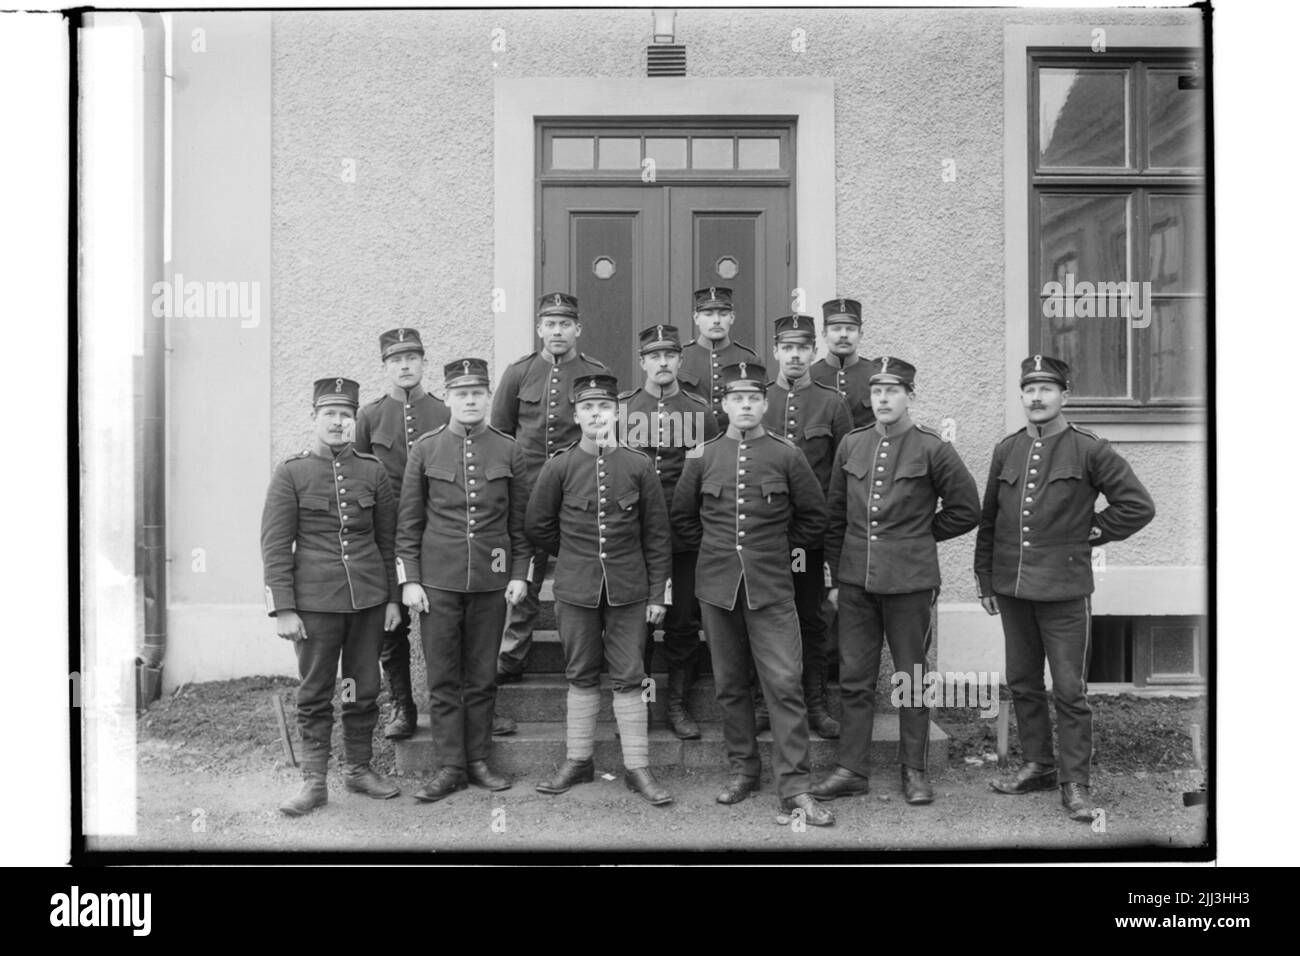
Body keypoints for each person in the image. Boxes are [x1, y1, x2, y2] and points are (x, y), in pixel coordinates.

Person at [976, 355, 1155, 822]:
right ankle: (1037, 764)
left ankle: (1075, 783)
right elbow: (990, 520)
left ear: (1064, 396)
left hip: (1064, 591)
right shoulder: (1008, 449)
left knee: (1070, 690)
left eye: (1046, 389)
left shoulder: (1089, 449)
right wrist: (986, 580)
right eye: (1029, 389)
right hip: (1013, 589)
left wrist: (1092, 530)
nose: (1036, 397)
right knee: (1023, 683)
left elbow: (1137, 505)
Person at [672, 361, 834, 826]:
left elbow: (813, 517)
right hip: (717, 589)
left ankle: (796, 786)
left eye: (752, 399)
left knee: (784, 683)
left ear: (765, 404)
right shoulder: (701, 456)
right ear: (724, 405)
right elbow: (682, 519)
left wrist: (778, 551)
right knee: (728, 685)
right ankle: (744, 770)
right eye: (736, 399)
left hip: (772, 586)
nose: (745, 406)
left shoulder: (787, 454)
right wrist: (716, 553)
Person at [813, 356, 980, 805]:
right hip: (855, 581)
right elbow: (835, 517)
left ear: (910, 395)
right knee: (854, 677)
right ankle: (851, 769)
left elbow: (967, 509)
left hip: (910, 582)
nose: (883, 399)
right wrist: (834, 576)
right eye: (877, 391)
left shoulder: (932, 448)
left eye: (893, 391)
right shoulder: (852, 445)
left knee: (912, 677)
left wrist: (918, 538)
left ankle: (914, 770)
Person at [527, 373, 674, 805]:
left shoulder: (638, 465)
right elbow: (538, 525)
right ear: (577, 415)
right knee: (580, 672)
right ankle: (578, 761)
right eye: (588, 408)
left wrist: (656, 596)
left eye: (604, 407)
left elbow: (657, 537)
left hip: (630, 591)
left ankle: (637, 767)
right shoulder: (560, 466)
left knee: (631, 676)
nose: (596, 415)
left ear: (616, 413)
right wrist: (573, 554)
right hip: (576, 589)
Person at [261, 377, 402, 815]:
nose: (339, 423)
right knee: (316, 690)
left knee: (361, 687)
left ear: (354, 420)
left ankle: (358, 769)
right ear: (314, 418)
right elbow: (275, 544)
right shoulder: (292, 472)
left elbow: (388, 541)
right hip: (315, 605)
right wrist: (283, 608)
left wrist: (393, 600)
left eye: (346, 415)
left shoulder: (372, 470)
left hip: (367, 602)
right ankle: (313, 781)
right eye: (330, 415)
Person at [395, 358, 530, 802]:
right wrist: (410, 580)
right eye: (461, 393)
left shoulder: (509, 450)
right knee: (443, 678)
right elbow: (408, 524)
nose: (470, 400)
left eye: (478, 393)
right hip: (437, 584)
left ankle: (478, 760)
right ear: (448, 397)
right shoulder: (426, 449)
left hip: (491, 583)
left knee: (481, 677)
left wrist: (518, 576)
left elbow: (520, 526)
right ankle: (450, 765)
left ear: (489, 397)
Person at [492, 293, 608, 684]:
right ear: (540, 329)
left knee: (585, 571)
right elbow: (502, 433)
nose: (557, 332)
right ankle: (511, 657)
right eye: (550, 324)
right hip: (528, 490)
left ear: (578, 328)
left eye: (565, 324)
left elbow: (605, 432)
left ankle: (589, 654)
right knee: (526, 573)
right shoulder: (518, 373)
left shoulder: (594, 373)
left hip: (579, 490)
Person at [619, 324, 719, 739]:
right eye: (654, 356)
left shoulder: (700, 411)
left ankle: (677, 705)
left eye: (670, 355)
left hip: (683, 536)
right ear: (642, 362)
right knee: (634, 624)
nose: (662, 363)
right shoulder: (623, 409)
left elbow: (714, 469)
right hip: (633, 537)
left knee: (680, 622)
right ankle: (640, 704)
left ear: (681, 360)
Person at [354, 328, 450, 740]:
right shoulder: (369, 416)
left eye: (412, 357)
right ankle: (402, 707)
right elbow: (357, 472)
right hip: (387, 537)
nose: (405, 365)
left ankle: (462, 705)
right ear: (385, 367)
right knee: (391, 627)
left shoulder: (445, 413)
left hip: (438, 533)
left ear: (424, 362)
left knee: (450, 621)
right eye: (396, 359)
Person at [762, 313, 852, 739]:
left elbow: (843, 471)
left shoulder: (832, 404)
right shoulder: (759, 401)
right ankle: (766, 702)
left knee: (812, 618)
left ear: (813, 353)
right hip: (764, 536)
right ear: (776, 352)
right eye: (787, 348)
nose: (795, 355)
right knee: (761, 616)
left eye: (803, 348)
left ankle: (815, 703)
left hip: (811, 540)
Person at [678, 286, 759, 431]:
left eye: (723, 314)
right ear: (696, 318)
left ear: (732, 317)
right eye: (708, 314)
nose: (716, 320)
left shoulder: (748, 359)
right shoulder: (681, 358)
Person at [810, 297, 875, 429]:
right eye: (836, 329)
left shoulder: (875, 374)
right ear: (824, 334)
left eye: (850, 329)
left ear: (860, 334)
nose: (844, 335)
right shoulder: (810, 376)